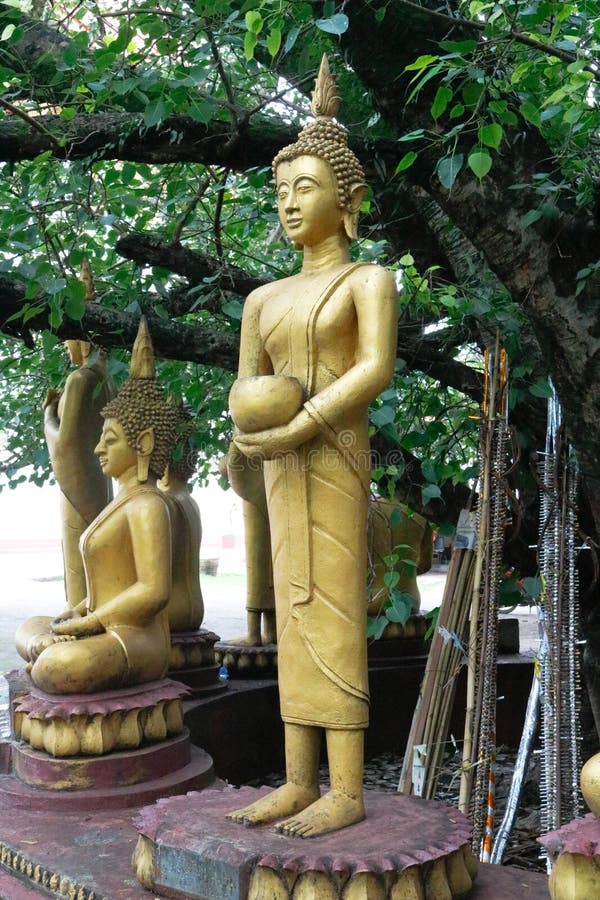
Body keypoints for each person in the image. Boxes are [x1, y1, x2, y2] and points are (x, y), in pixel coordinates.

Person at [227, 57, 397, 838]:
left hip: (331, 457)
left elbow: (373, 368)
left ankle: (349, 789)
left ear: (349, 200)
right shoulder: (262, 299)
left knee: (331, 613)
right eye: (282, 191)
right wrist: (247, 435)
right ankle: (298, 780)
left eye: (306, 188)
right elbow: (245, 388)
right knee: (291, 617)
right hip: (278, 469)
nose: (290, 203)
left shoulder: (369, 280)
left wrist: (303, 424)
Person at [15, 318, 176, 695]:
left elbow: (153, 591)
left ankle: (49, 654)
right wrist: (80, 610)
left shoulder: (149, 505)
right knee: (32, 628)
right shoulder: (119, 503)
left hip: (135, 640)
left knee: (59, 665)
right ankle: (46, 646)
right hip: (103, 627)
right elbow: (108, 584)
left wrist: (94, 622)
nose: (97, 449)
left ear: (145, 443)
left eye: (110, 440)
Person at [43, 262, 115, 607]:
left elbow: (68, 444)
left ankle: (80, 614)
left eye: (69, 337)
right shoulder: (109, 380)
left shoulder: (80, 380)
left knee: (78, 555)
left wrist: (47, 415)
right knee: (99, 552)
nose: (66, 346)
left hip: (78, 487)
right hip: (103, 486)